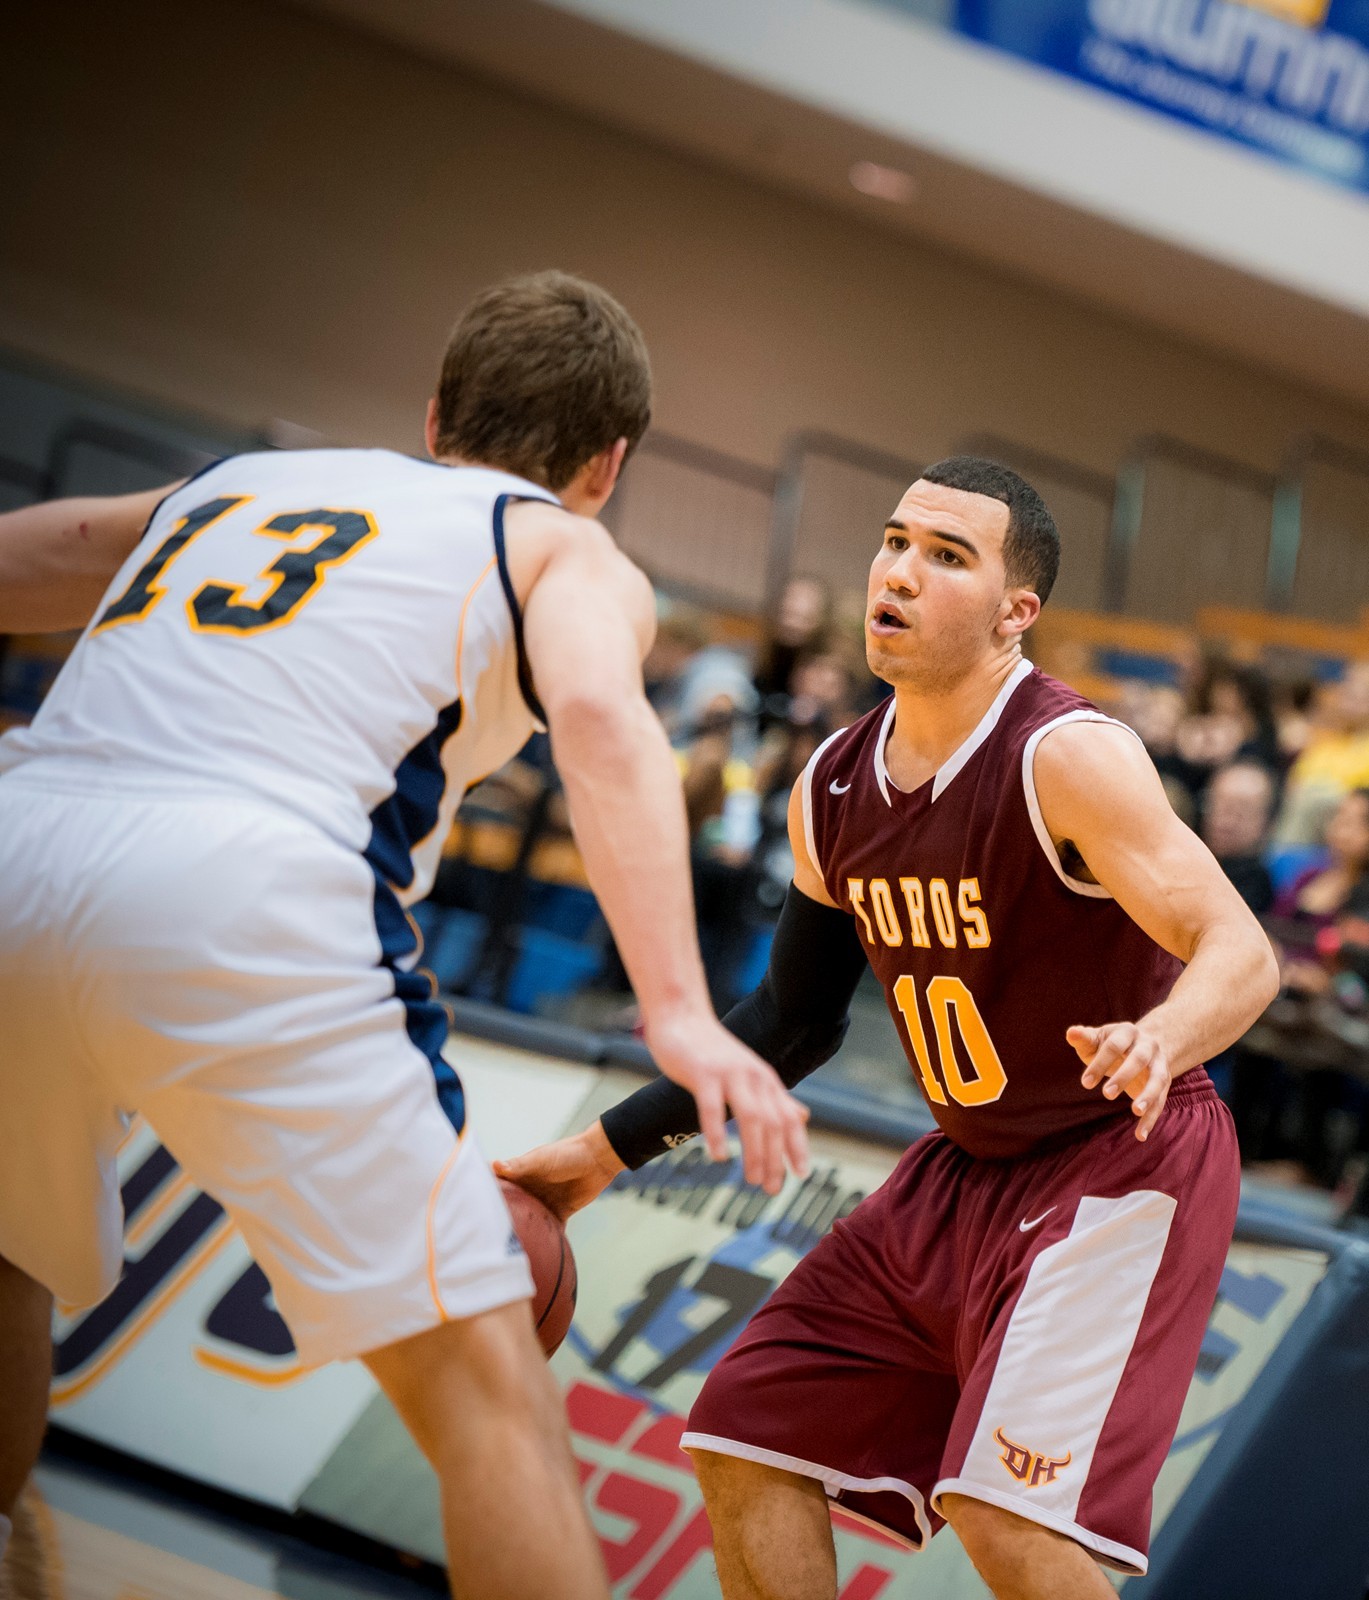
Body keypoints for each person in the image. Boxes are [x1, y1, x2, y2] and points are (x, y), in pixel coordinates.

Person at [0, 271, 809, 1600]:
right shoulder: (563, 545)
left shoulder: (242, 484)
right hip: (247, 887)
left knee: (8, 1251)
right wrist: (676, 1008)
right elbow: (602, 721)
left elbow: (39, 549)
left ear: (434, 413)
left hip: (24, 834)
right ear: (607, 465)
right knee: (490, 1397)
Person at [499, 456, 1278, 1600]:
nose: (900, 571)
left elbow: (1241, 950)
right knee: (747, 1430)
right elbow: (792, 1022)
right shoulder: (831, 783)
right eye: (895, 541)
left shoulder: (1064, 755)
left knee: (1012, 1524)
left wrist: (1162, 1033)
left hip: (1119, 1161)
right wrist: (597, 1152)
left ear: (1018, 614)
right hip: (962, 1170)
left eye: (946, 556)